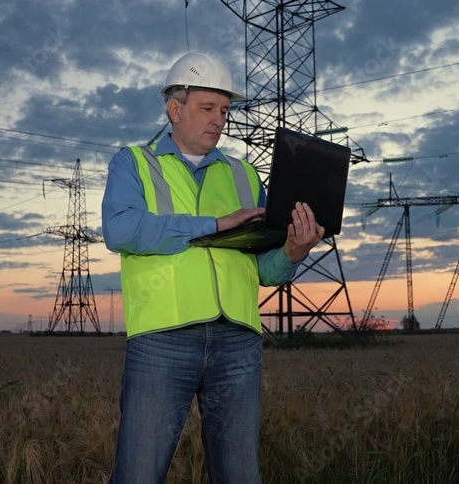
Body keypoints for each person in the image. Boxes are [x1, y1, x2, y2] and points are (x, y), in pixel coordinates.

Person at [101, 51, 325, 483]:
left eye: (224, 110)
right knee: (138, 475)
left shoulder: (244, 176)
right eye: (207, 108)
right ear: (175, 109)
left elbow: (265, 269)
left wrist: (293, 253)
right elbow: (122, 229)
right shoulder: (134, 163)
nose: (219, 119)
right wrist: (214, 224)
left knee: (240, 476)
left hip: (238, 343)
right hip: (163, 339)